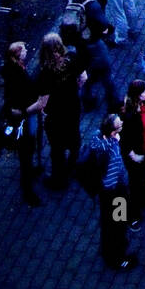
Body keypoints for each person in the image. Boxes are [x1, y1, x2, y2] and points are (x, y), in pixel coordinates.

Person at [36, 33, 84, 190]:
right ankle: (73, 166)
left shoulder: (45, 73)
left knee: (57, 149)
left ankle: (59, 180)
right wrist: (73, 89)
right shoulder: (72, 57)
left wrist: (37, 113)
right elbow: (83, 77)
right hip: (73, 107)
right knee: (74, 139)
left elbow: (43, 101)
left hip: (56, 115)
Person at [91, 114, 137, 271]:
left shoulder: (97, 138)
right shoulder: (112, 152)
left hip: (104, 193)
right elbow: (113, 178)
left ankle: (106, 249)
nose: (122, 123)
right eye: (119, 124)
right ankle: (117, 258)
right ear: (112, 132)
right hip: (115, 194)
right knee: (118, 224)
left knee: (107, 222)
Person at [2, 41, 45, 206]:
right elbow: (21, 96)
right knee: (26, 151)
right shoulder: (17, 74)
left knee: (28, 147)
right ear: (17, 55)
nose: (27, 50)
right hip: (24, 118)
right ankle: (27, 188)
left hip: (25, 114)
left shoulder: (13, 70)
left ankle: (30, 171)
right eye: (24, 50)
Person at [120, 79, 145, 227]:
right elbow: (124, 140)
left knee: (143, 177)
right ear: (138, 95)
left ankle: (143, 195)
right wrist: (133, 155)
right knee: (135, 182)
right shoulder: (129, 115)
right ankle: (131, 214)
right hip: (137, 154)